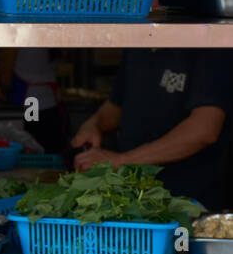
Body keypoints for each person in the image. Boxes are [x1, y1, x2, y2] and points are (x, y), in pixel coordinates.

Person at [71, 47, 233, 210]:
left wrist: (121, 160)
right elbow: (117, 105)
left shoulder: (212, 47)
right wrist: (94, 123)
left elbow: (204, 130)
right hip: (135, 196)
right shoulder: (139, 45)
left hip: (189, 200)